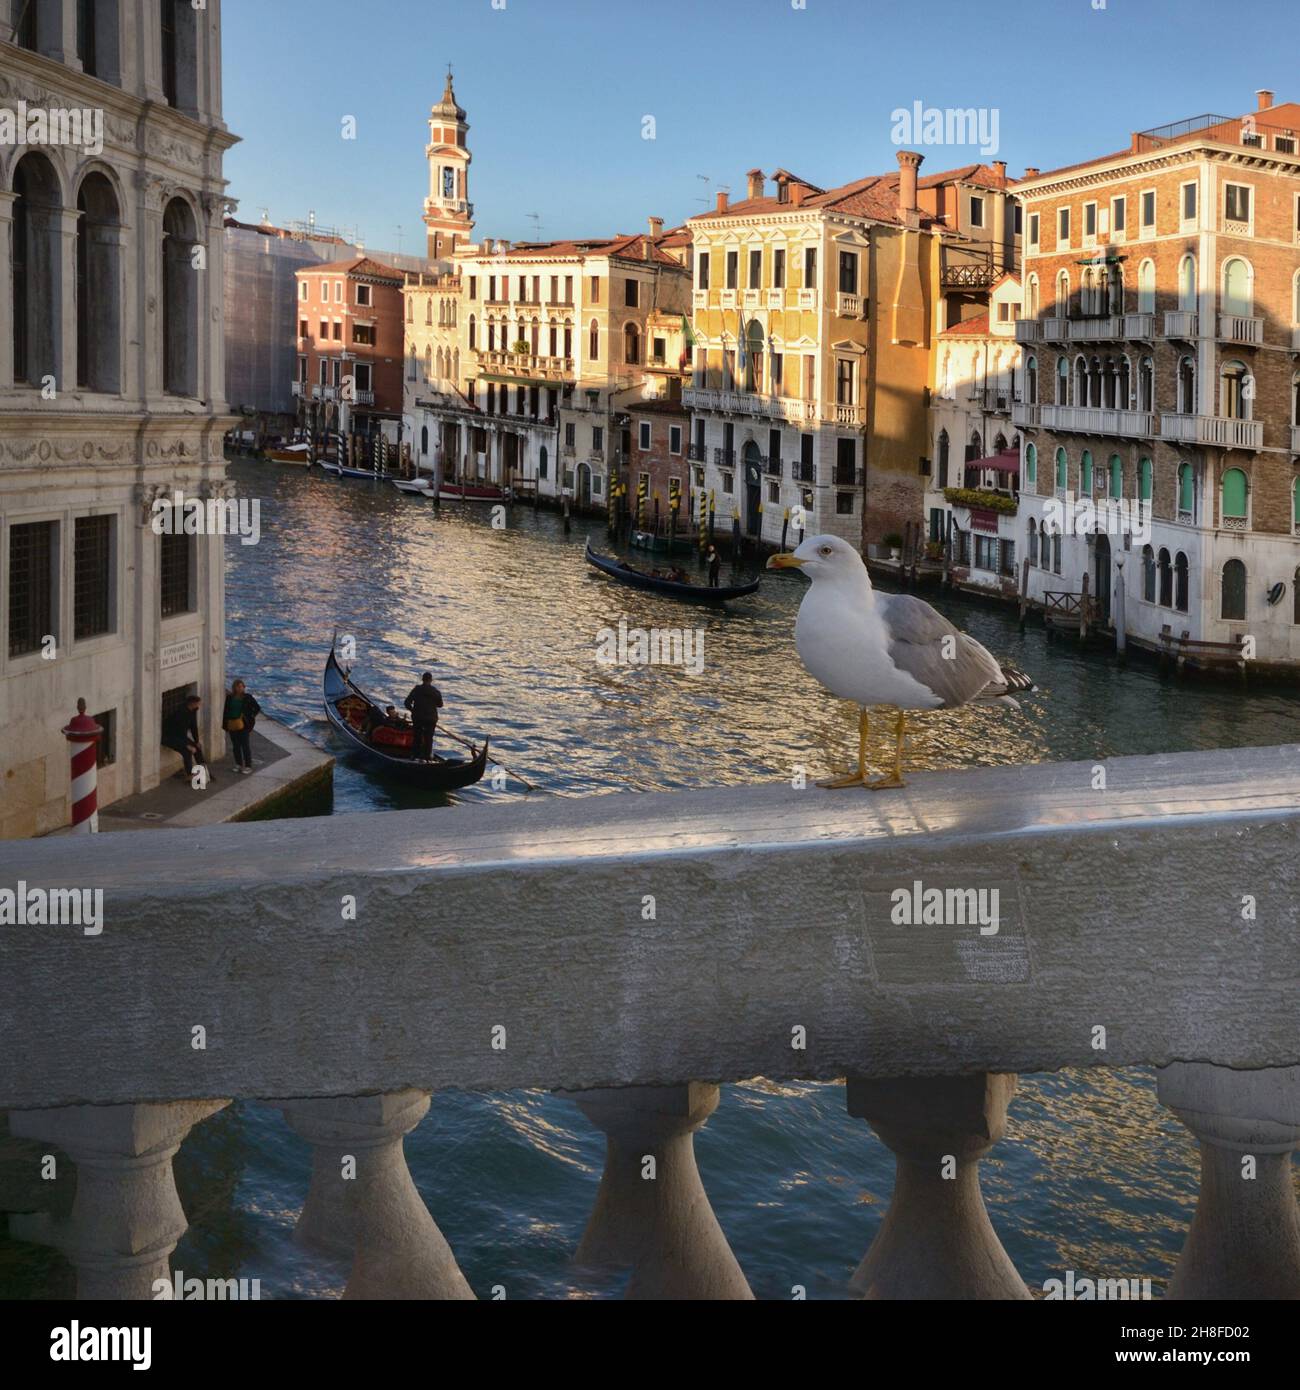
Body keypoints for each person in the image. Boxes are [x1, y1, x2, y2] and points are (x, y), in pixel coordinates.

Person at [162, 694, 207, 785]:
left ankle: (203, 771)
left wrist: (196, 741)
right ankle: (189, 775)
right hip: (170, 737)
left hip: (180, 736)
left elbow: (193, 727)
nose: (199, 705)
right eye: (197, 703)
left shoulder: (193, 711)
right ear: (192, 703)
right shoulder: (180, 713)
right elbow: (176, 732)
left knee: (197, 748)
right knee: (187, 752)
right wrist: (187, 745)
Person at [223, 679, 262, 775]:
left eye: (241, 686)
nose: (240, 688)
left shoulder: (247, 697)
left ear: (244, 687)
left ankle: (248, 766)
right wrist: (225, 724)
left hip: (244, 724)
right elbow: (225, 710)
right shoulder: (229, 697)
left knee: (245, 745)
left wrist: (250, 716)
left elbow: (257, 708)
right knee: (236, 746)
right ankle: (238, 764)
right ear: (234, 688)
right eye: (238, 686)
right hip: (232, 723)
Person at [404, 671, 444, 760]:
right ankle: (427, 758)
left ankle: (414, 756)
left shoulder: (417, 689)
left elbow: (407, 703)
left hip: (418, 717)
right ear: (431, 680)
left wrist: (413, 710)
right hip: (431, 718)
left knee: (417, 737)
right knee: (429, 738)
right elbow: (440, 705)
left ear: (422, 679)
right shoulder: (435, 691)